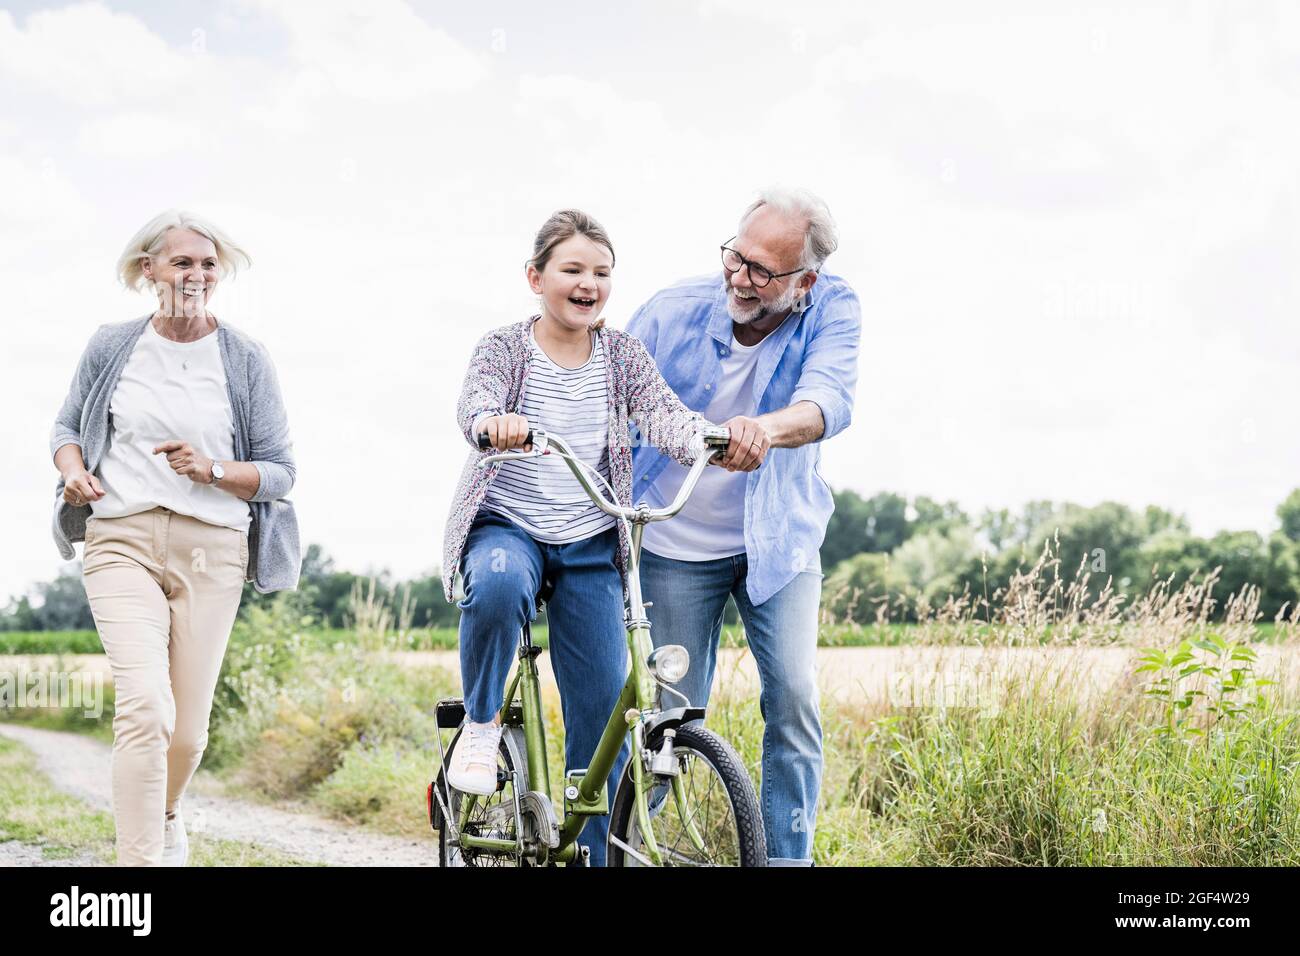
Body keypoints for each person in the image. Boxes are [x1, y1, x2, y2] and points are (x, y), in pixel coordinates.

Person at [441, 208, 733, 866]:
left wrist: (708, 440)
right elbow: (475, 403)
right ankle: (483, 726)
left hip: (591, 539)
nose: (588, 284)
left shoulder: (621, 353)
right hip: (508, 525)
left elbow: (662, 412)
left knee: (607, 718)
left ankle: (596, 853)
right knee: (495, 586)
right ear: (536, 277)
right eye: (572, 269)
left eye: (602, 273)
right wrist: (494, 422)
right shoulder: (504, 347)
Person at [50, 210, 300, 866]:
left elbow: (279, 471)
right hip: (120, 539)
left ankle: (163, 813)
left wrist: (211, 469)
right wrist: (75, 473)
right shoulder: (113, 345)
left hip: (213, 550)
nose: (195, 273)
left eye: (207, 263)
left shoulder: (244, 358)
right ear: (148, 270)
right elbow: (66, 431)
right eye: (182, 262)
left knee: (187, 734)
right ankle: (137, 874)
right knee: (145, 709)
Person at [627, 187, 861, 865]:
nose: (741, 278)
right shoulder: (672, 310)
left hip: (777, 542)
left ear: (804, 282)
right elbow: (606, 396)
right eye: (737, 256)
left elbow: (829, 400)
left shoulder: (834, 306)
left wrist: (766, 427)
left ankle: (787, 861)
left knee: (792, 696)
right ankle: (629, 848)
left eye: (763, 271)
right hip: (673, 543)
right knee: (668, 716)